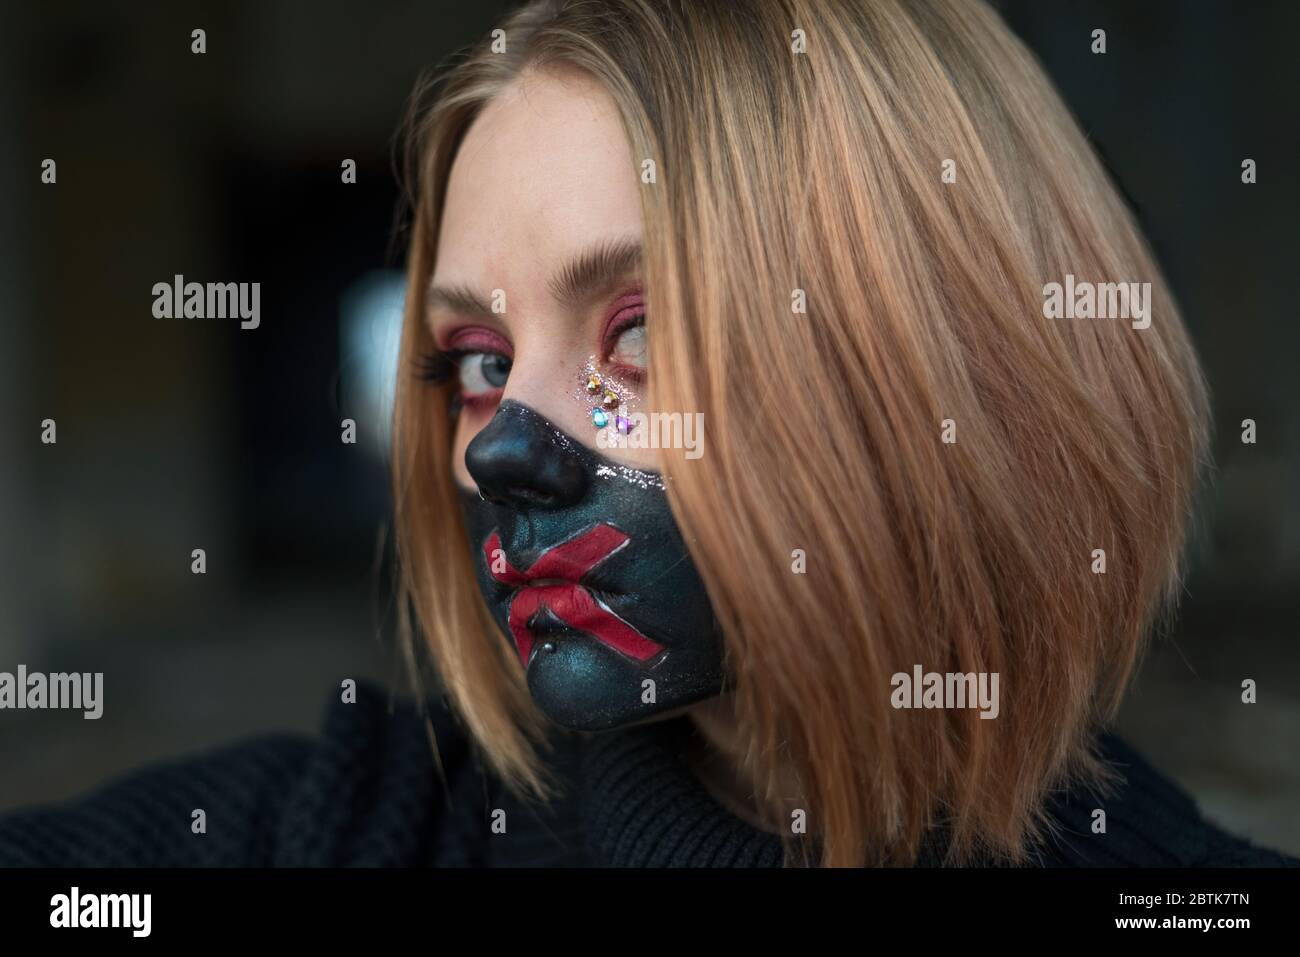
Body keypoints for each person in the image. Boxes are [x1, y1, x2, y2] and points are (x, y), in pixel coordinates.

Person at [2, 0, 1295, 868]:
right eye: (479, 361)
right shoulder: (360, 827)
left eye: (640, 331)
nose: (504, 448)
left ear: (954, 365)